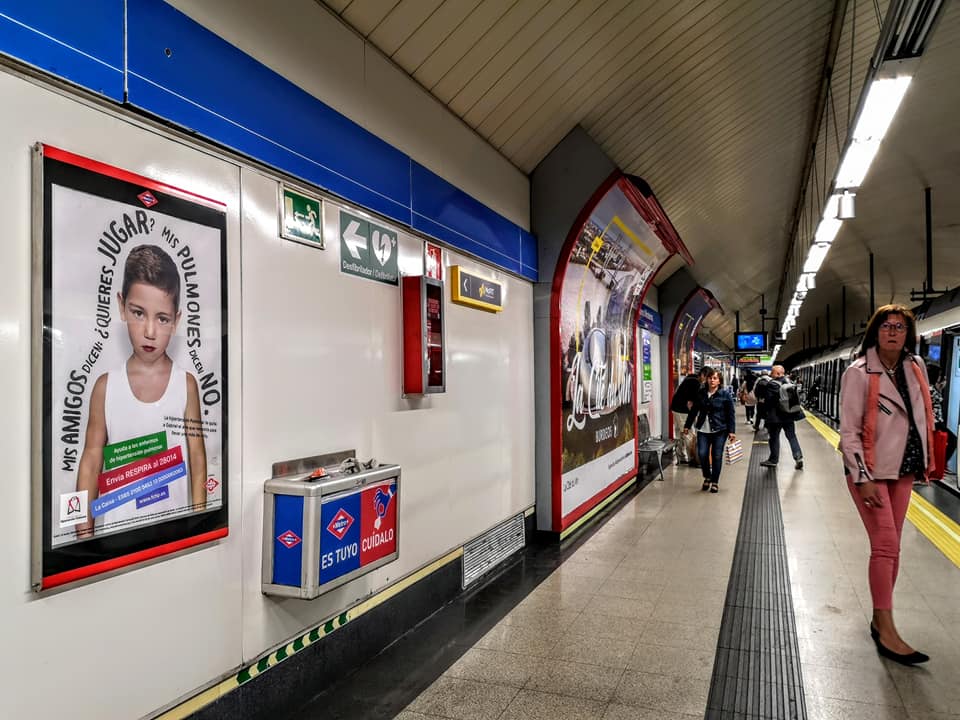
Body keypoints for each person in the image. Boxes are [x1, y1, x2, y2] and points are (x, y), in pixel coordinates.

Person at [76, 245, 207, 538]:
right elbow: (91, 459)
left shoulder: (186, 385)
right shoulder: (105, 387)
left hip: (172, 538)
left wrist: (198, 526)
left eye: (162, 318)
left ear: (176, 320)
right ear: (122, 307)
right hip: (114, 540)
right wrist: (84, 535)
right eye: (138, 313)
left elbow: (197, 458)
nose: (150, 330)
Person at [839, 304, 935, 666]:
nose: (893, 332)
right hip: (872, 471)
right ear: (875, 332)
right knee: (884, 546)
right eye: (886, 326)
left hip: (905, 469)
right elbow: (848, 430)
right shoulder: (858, 372)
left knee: (893, 549)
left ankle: (881, 619)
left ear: (908, 333)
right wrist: (861, 477)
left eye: (899, 326)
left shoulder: (916, 367)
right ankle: (888, 629)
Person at [684, 366, 736, 493]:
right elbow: (694, 410)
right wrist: (687, 425)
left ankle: (715, 482)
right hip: (703, 429)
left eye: (715, 378)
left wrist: (732, 431)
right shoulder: (701, 393)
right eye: (710, 378)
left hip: (720, 430)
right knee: (702, 454)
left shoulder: (725, 395)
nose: (712, 380)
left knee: (717, 455)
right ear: (707, 380)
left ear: (719, 381)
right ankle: (707, 476)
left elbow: (730, 414)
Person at [759, 365, 805, 469]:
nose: (771, 374)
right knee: (792, 436)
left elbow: (768, 401)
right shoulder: (790, 382)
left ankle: (773, 460)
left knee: (774, 438)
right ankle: (798, 457)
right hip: (789, 415)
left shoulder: (772, 384)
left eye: (773, 372)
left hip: (776, 418)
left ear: (779, 373)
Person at [926, 363, 957, 471]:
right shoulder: (930, 389)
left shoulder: (929, 387)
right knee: (953, 440)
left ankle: (940, 464)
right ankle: (941, 465)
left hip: (934, 421)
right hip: (935, 422)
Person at [670, 369, 704, 466]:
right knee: (688, 434)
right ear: (702, 375)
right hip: (682, 410)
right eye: (707, 378)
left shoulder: (690, 379)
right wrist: (694, 417)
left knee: (680, 433)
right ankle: (693, 458)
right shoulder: (695, 383)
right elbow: (690, 403)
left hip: (676, 408)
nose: (707, 380)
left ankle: (681, 457)